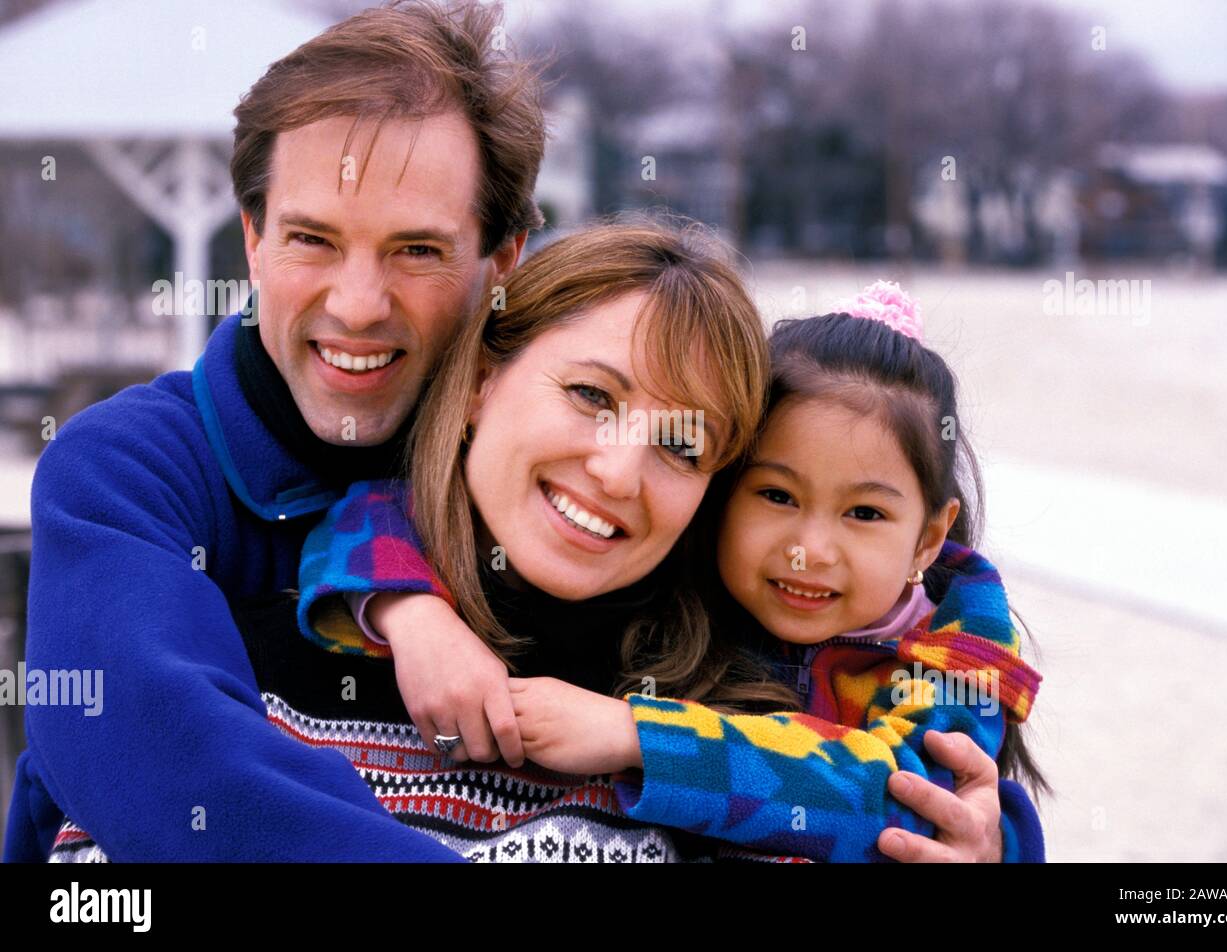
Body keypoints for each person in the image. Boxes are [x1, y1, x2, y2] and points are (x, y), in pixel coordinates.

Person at [287, 225, 1045, 862]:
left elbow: (922, 803)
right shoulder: (304, 614)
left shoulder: (923, 650)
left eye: (682, 446)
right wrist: (407, 612)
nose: (619, 475)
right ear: (482, 378)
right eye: (591, 396)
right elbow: (374, 512)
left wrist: (636, 737)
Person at [7, 0, 545, 862]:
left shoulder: (567, 489)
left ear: (503, 261)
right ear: (253, 239)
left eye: (418, 250)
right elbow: (169, 769)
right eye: (312, 240)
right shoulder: (124, 470)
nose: (358, 306)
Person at [608, 281, 1049, 860]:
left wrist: (636, 737)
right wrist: (440, 610)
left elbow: (897, 803)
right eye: (777, 495)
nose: (810, 551)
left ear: (928, 539)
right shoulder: (672, 594)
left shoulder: (957, 663)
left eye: (864, 513)